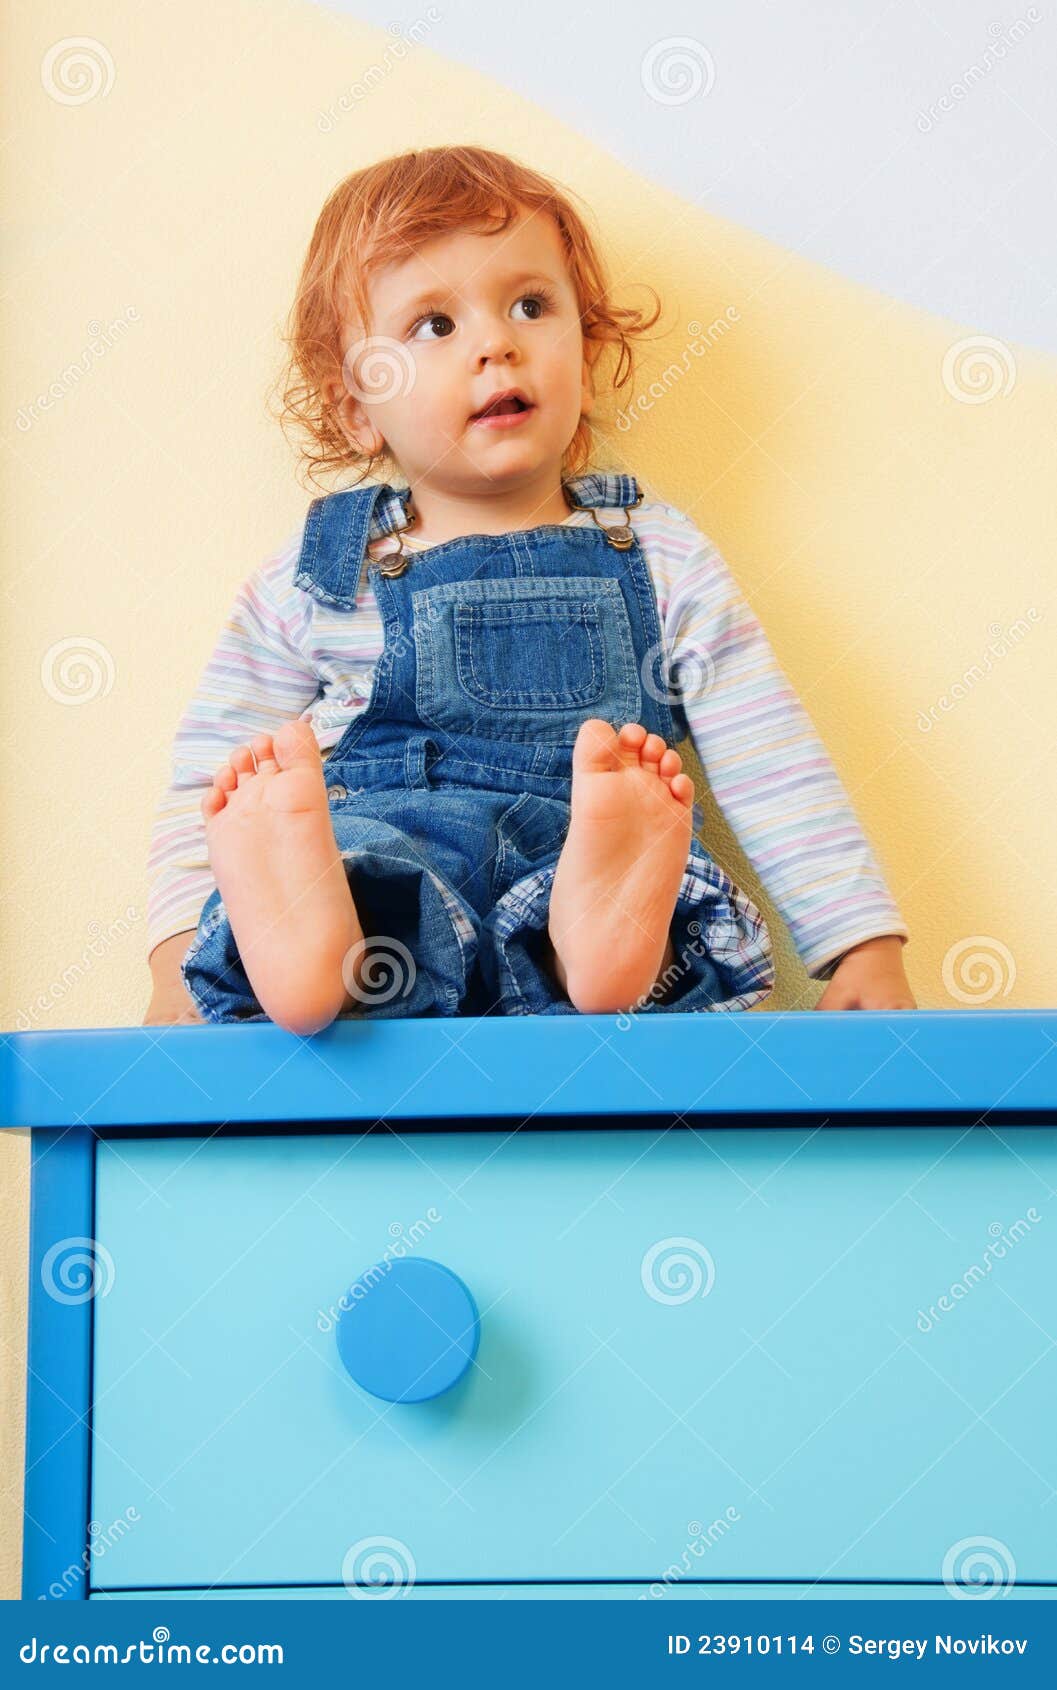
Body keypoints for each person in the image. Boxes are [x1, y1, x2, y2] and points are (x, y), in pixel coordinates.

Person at [144, 145, 914, 1032]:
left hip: (577, 851)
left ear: (584, 355)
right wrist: (174, 963)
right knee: (343, 858)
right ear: (356, 407)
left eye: (531, 306)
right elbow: (213, 770)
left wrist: (860, 942)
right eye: (434, 324)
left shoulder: (658, 552)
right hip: (388, 864)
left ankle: (597, 928)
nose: (496, 344)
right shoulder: (322, 573)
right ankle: (306, 934)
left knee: (643, 896)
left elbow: (766, 750)